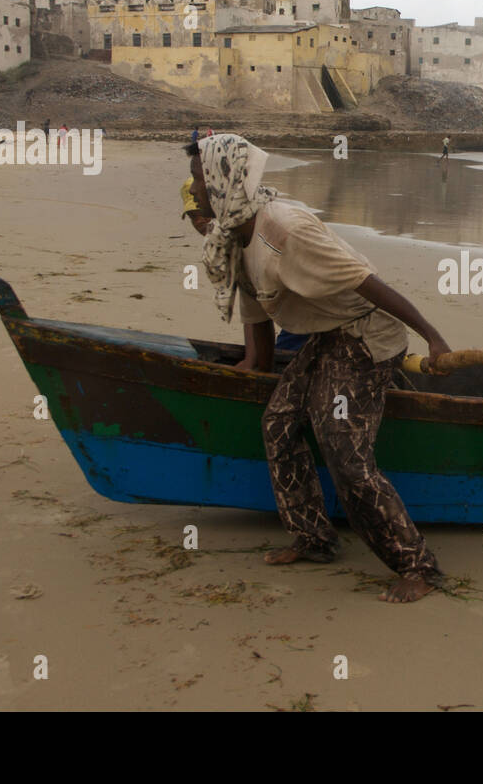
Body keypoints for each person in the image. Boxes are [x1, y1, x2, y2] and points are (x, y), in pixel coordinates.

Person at [186, 134, 452, 603]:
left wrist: (433, 336)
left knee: (344, 450)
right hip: (326, 336)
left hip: (367, 335)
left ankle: (418, 566)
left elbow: (369, 285)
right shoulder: (234, 237)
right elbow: (259, 335)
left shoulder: (285, 231)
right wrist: (245, 374)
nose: (194, 189)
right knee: (278, 423)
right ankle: (314, 539)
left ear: (220, 180)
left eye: (198, 179)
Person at [180, 176, 308, 351]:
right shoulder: (229, 242)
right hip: (293, 313)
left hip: (310, 309)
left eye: (202, 214)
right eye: (193, 217)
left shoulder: (252, 233)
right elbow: (252, 306)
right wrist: (252, 358)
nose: (199, 222)